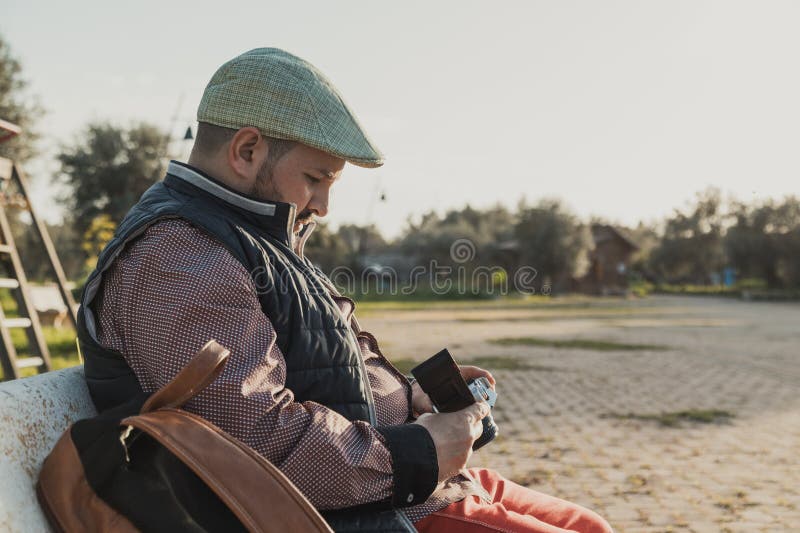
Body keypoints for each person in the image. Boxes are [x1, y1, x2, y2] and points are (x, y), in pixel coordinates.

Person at [77, 48, 612, 533]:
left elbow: (319, 376)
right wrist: (420, 451)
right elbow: (258, 442)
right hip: (359, 514)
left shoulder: (249, 239)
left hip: (402, 489)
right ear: (245, 150)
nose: (323, 207)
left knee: (589, 524)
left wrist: (412, 399)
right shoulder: (177, 257)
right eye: (316, 178)